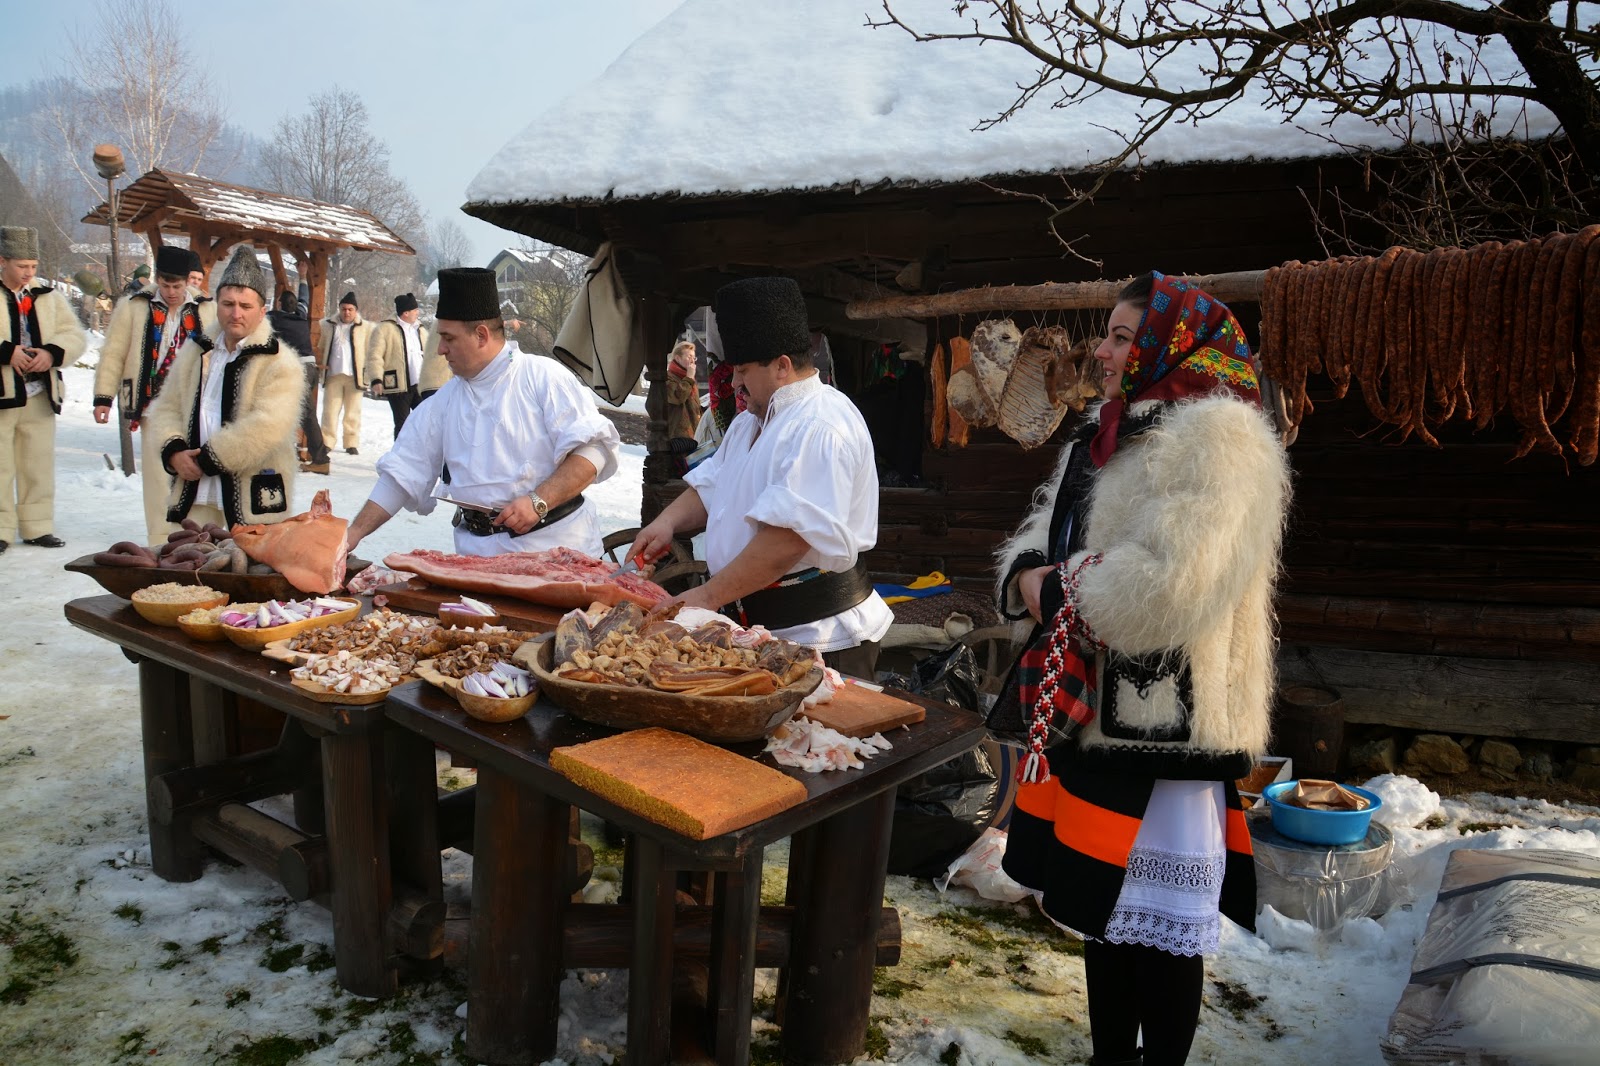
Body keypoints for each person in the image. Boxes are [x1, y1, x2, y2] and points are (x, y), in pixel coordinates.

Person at [991, 272, 1290, 1066]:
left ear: (1169, 343)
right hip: (1101, 710)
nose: (1105, 348)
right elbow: (1042, 530)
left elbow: (1171, 583)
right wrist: (1027, 574)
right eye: (1110, 333)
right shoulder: (1108, 427)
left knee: (1160, 925)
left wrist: (1051, 588)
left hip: (1171, 725)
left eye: (1125, 336)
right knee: (1101, 903)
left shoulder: (1221, 439)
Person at [628, 277, 892, 677]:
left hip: (820, 639)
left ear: (782, 366)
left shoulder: (820, 425)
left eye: (744, 370)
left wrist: (706, 596)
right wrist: (665, 523)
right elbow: (713, 486)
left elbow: (786, 540)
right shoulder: (749, 423)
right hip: (761, 634)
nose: (734, 383)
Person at [345, 267, 621, 558]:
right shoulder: (445, 400)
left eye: (448, 338)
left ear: (480, 335)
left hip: (556, 550)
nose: (440, 349)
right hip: (476, 556)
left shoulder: (542, 376)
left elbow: (593, 452)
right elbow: (400, 475)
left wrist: (539, 501)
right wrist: (352, 535)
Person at [142, 245, 306, 530]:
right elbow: (166, 406)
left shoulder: (280, 361)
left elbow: (268, 426)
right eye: (228, 304)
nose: (236, 313)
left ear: (262, 311)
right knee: (189, 569)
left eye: (245, 306)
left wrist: (207, 459)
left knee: (247, 572)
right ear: (215, 304)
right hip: (195, 494)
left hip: (251, 497)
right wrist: (175, 450)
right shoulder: (195, 351)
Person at [93, 245, 216, 543]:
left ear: (188, 280)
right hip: (151, 403)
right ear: (156, 280)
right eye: (165, 285)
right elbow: (113, 353)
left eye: (177, 285)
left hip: (193, 405)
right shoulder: (134, 306)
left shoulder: (206, 308)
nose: (172, 292)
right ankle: (160, 541)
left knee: (191, 475)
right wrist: (103, 397)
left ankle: (191, 539)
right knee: (158, 477)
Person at [0, 227, 88, 554]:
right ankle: (1, 529)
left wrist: (51, 353)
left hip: (39, 394)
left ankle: (37, 526)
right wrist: (6, 353)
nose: (29, 273)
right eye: (22, 265)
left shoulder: (47, 297)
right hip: (3, 396)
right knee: (1, 465)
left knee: (37, 464)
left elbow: (75, 336)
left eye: (33, 266)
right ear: (3, 261)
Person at [267, 288, 329, 476]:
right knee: (303, 413)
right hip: (311, 368)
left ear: (279, 304)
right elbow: (304, 298)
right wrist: (303, 277)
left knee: (305, 414)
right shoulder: (301, 316)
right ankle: (315, 457)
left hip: (297, 369)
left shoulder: (275, 318)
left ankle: (320, 460)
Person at [319, 291, 375, 455]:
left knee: (353, 412)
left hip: (355, 376)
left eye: (350, 309)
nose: (347, 312)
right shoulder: (327, 325)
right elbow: (321, 346)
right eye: (344, 309)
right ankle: (327, 441)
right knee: (330, 411)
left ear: (356, 310)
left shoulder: (365, 328)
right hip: (333, 375)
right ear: (339, 309)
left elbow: (371, 350)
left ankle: (351, 442)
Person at [369, 292, 429, 436]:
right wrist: (376, 379)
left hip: (419, 385)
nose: (417, 313)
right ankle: (400, 457)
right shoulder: (384, 329)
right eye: (415, 310)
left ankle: (420, 455)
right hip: (397, 385)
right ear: (406, 313)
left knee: (425, 422)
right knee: (402, 424)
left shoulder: (420, 330)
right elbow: (375, 355)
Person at [663, 339, 700, 472]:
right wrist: (689, 377)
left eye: (693, 357)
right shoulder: (668, 378)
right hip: (678, 437)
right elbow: (678, 397)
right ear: (677, 358)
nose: (692, 360)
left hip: (693, 435)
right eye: (688, 356)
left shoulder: (689, 379)